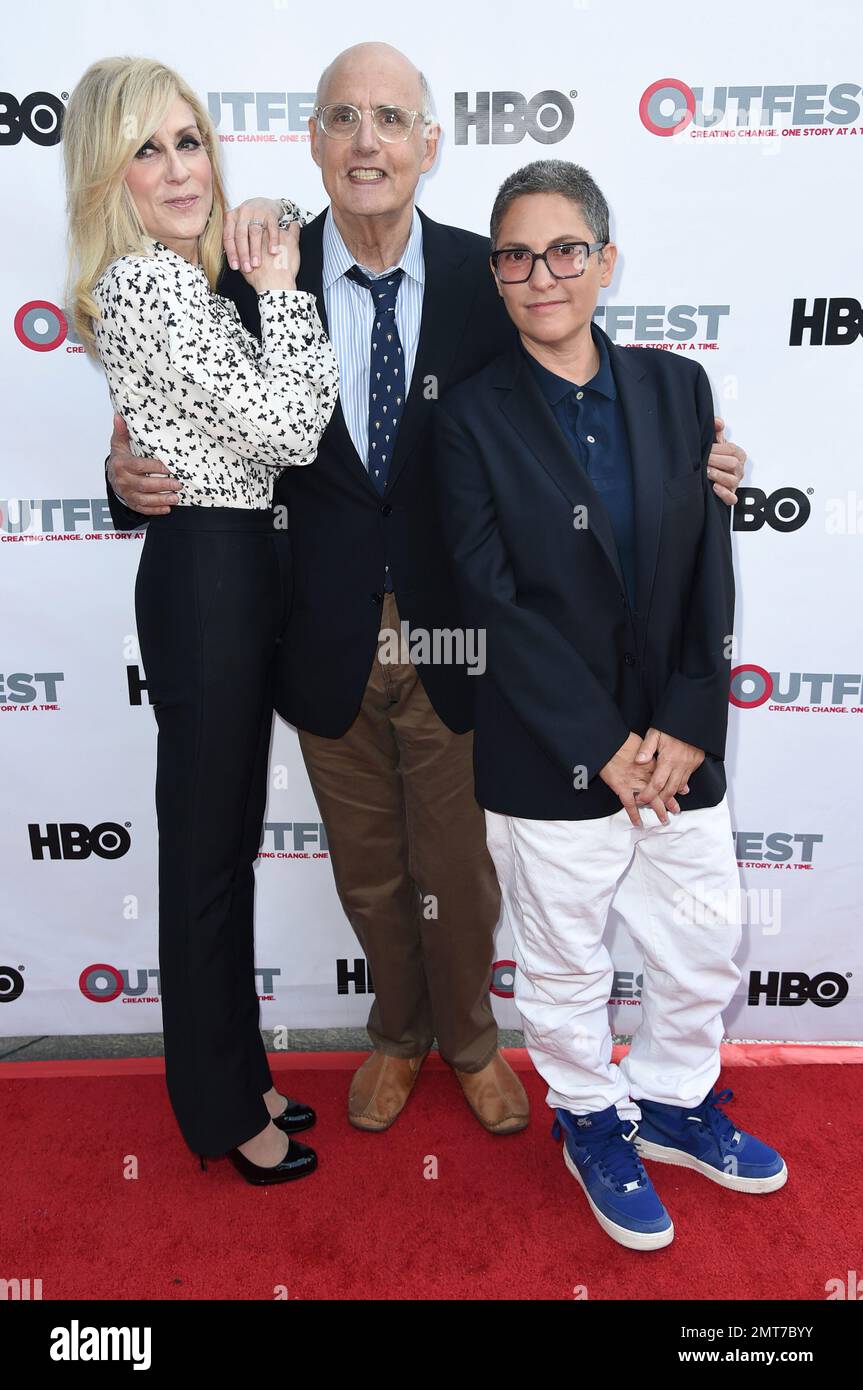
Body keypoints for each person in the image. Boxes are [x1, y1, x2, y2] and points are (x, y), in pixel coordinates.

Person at [102, 43, 747, 1139]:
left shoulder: (486, 276)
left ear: (427, 145)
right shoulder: (251, 273)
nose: (367, 143)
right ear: (311, 139)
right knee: (365, 868)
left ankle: (472, 1039)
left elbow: (572, 387)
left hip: (466, 630)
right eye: (343, 119)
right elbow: (176, 417)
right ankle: (397, 1036)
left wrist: (696, 463)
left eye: (391, 120)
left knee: (459, 867)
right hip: (314, 628)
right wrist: (121, 482)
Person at [433, 159, 786, 1250]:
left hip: (677, 746)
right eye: (515, 256)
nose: (540, 275)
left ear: (603, 261)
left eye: (563, 251)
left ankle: (678, 1097)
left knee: (702, 939)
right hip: (550, 750)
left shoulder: (678, 388)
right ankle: (589, 1117)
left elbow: (703, 572)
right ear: (495, 274)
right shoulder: (466, 418)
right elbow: (488, 600)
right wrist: (604, 746)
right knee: (563, 960)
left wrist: (683, 724)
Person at [63, 56, 338, 1185]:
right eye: (147, 148)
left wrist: (261, 269)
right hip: (208, 575)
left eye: (189, 141)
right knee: (207, 855)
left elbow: (238, 422)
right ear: (105, 173)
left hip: (238, 565)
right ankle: (219, 1107)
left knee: (224, 841)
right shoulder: (147, 285)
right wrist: (283, 291)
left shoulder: (191, 276)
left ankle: (239, 1070)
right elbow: (294, 424)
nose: (179, 169)